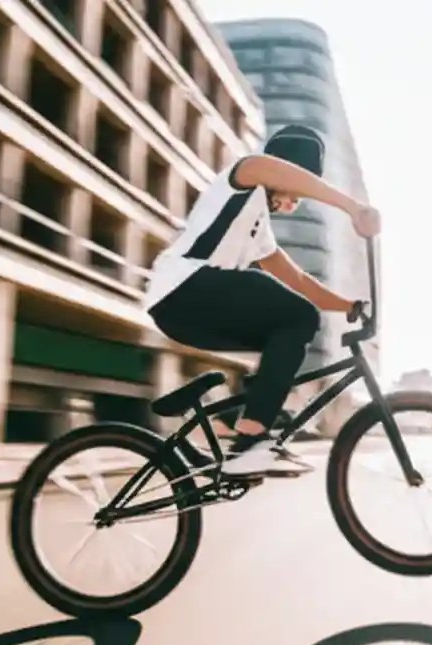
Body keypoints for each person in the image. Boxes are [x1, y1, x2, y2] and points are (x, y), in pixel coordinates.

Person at [143, 125, 381, 476]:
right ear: (285, 170)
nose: (292, 204)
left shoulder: (258, 231)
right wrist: (353, 207)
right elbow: (272, 169)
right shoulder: (245, 175)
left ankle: (240, 421)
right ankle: (251, 440)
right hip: (182, 288)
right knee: (297, 316)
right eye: (295, 194)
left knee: (284, 341)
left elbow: (300, 281)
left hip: (187, 311)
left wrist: (350, 306)